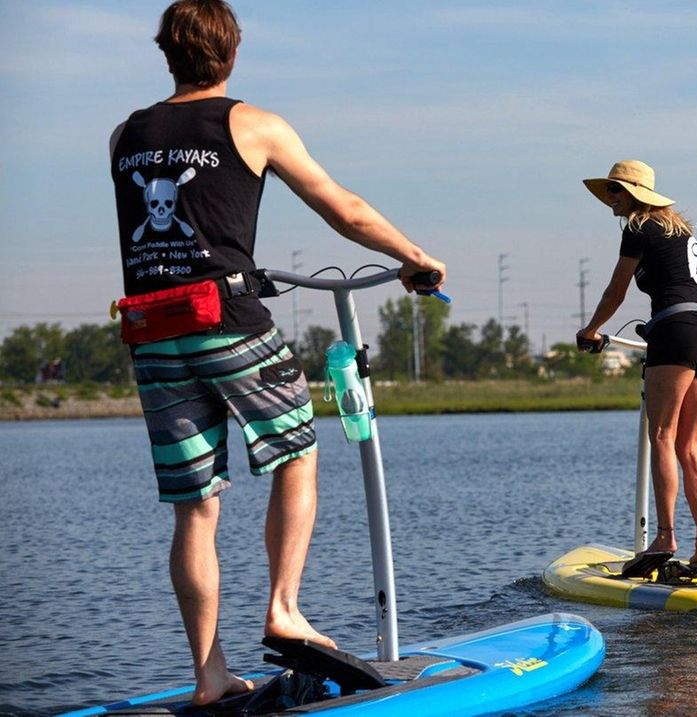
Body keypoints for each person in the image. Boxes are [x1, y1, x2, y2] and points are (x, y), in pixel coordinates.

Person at [109, 0, 446, 705]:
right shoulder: (252, 123)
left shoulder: (125, 136)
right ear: (231, 55)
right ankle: (285, 609)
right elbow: (342, 208)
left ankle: (209, 675)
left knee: (195, 508)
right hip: (226, 316)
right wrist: (413, 255)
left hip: (152, 333)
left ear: (165, 53)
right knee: (297, 450)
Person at [577, 160, 697, 567]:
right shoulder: (682, 234)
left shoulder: (637, 228)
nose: (609, 199)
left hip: (677, 328)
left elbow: (616, 290)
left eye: (614, 191)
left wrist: (592, 329)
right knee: (690, 445)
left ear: (630, 194)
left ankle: (664, 539)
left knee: (662, 435)